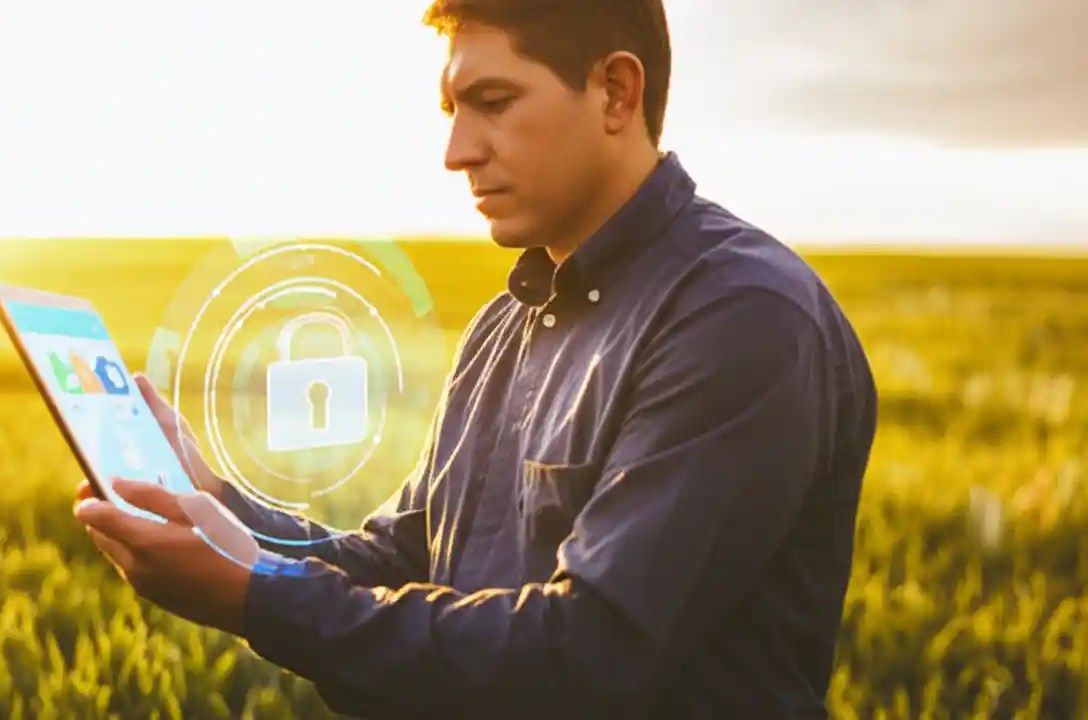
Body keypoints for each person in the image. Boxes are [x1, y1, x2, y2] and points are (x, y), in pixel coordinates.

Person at [74, 0, 879, 717]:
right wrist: (216, 501)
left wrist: (257, 598)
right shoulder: (506, 324)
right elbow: (398, 561)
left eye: (493, 102)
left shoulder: (740, 316)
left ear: (616, 92)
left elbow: (590, 652)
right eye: (452, 108)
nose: (457, 150)